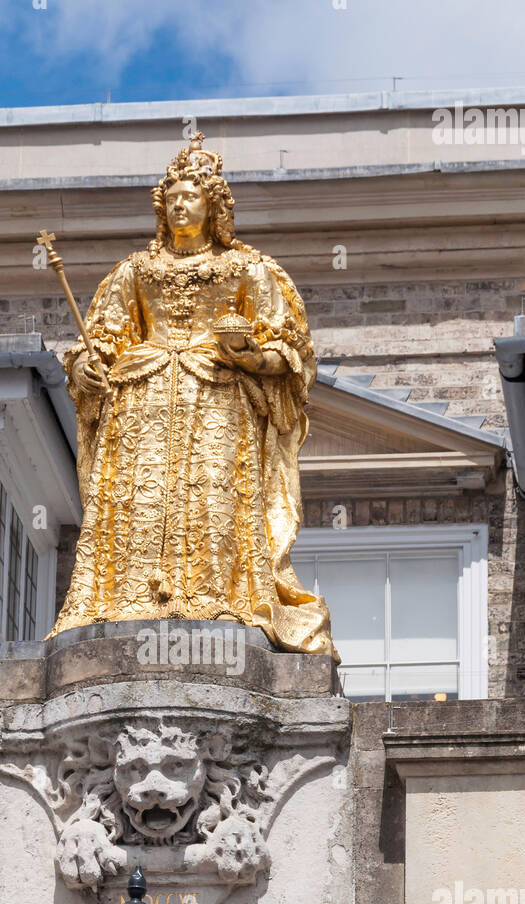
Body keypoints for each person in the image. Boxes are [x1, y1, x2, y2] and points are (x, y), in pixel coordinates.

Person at [50, 133, 335, 657]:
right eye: (173, 197)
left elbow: (289, 356)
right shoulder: (134, 271)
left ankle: (220, 594)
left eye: (192, 196)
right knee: (140, 494)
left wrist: (247, 357)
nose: (181, 205)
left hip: (219, 397)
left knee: (215, 492)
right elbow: (103, 342)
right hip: (142, 397)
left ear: (214, 206)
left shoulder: (250, 270)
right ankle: (125, 600)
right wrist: (87, 368)